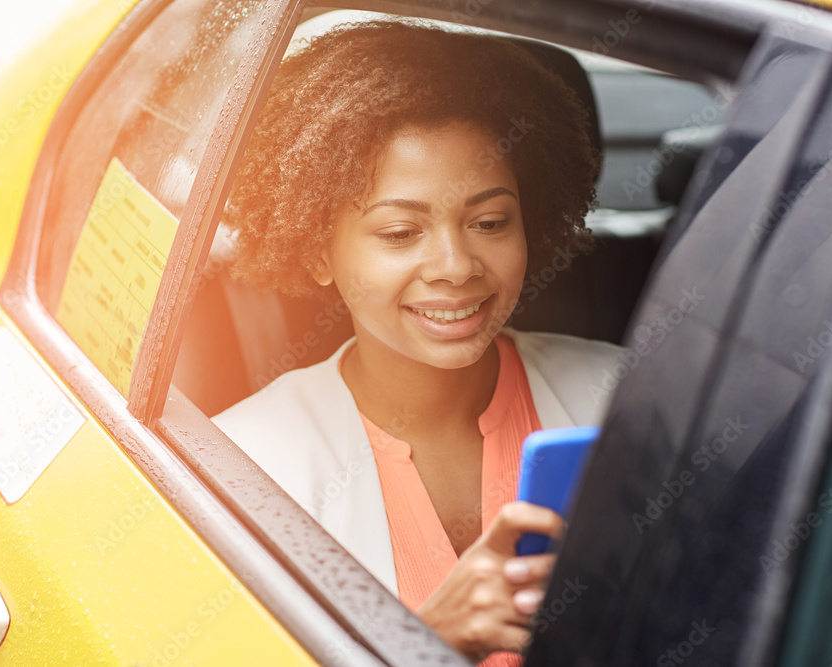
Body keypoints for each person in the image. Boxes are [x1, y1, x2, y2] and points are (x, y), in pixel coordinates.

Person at [213, 19, 622, 664]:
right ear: (318, 251)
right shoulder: (242, 465)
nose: (456, 266)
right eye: (401, 232)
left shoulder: (630, 395)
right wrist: (423, 642)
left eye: (490, 221)